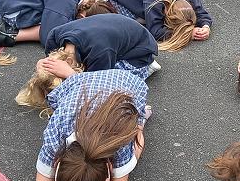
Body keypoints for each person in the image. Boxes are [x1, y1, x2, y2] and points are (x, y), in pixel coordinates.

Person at [34, 69, 148, 181]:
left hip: (127, 84)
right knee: (133, 147)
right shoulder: (57, 132)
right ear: (57, 160)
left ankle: (140, 121)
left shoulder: (118, 141)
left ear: (110, 166)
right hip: (80, 87)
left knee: (137, 143)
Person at [16, 14, 159, 110]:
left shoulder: (99, 52)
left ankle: (146, 67)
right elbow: (51, 61)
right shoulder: (54, 37)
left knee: (115, 90)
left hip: (138, 53)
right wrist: (42, 64)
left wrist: (71, 75)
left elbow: (98, 87)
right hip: (115, 34)